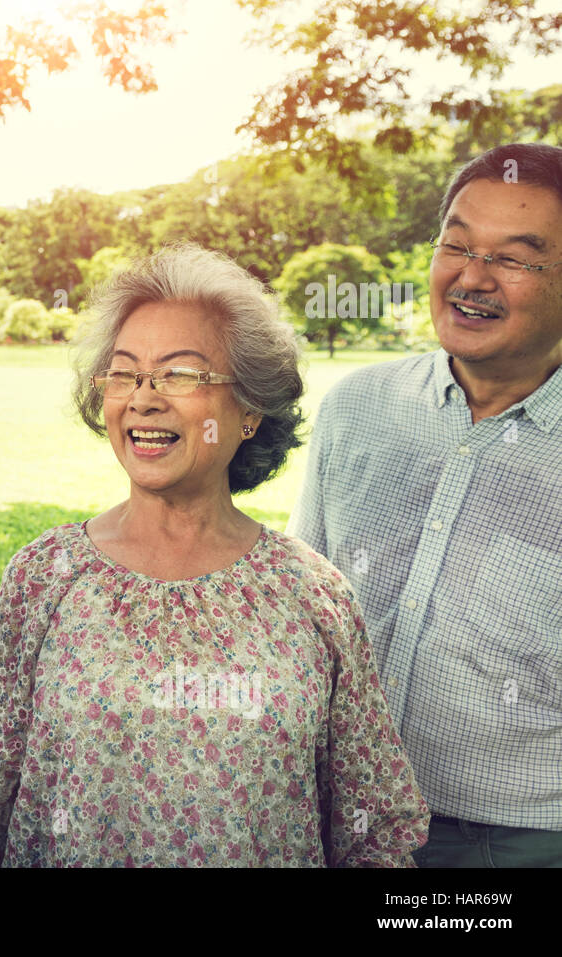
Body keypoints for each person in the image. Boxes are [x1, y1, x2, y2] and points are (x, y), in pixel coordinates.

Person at [0, 244, 428, 867]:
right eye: (124, 373)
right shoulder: (46, 574)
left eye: (181, 374)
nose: (143, 398)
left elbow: (370, 833)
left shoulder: (312, 592)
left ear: (248, 409)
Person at [290, 143, 562, 867]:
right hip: (340, 813)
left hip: (517, 839)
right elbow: (306, 612)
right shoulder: (357, 408)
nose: (473, 277)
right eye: (457, 245)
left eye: (515, 257)